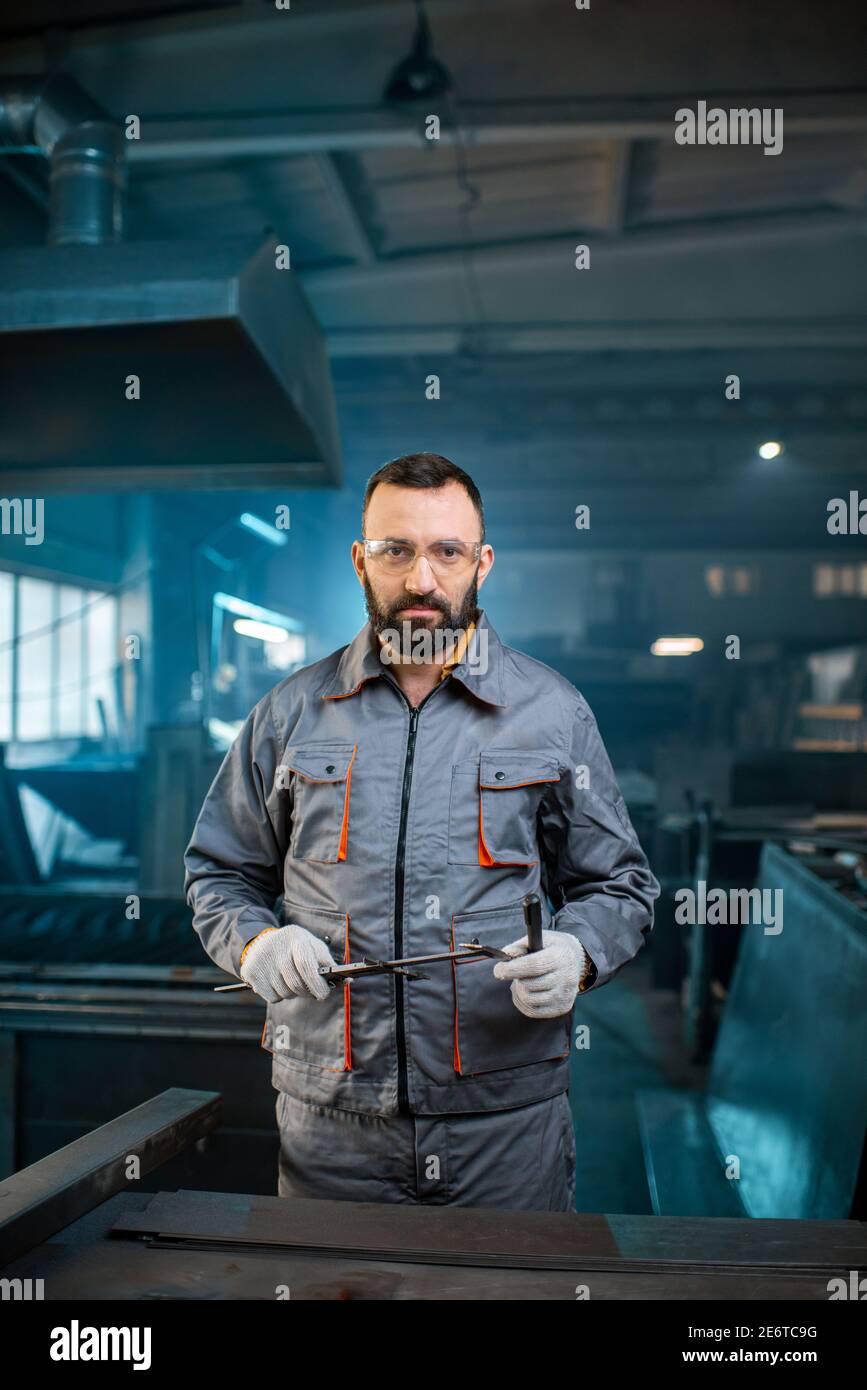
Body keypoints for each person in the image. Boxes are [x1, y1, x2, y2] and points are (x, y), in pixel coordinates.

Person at [184, 452, 660, 1210]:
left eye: (446, 550)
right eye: (394, 549)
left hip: (504, 1124)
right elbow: (220, 871)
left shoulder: (551, 712)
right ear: (359, 560)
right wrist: (254, 941)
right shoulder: (290, 712)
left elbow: (619, 885)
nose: (420, 580)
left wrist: (579, 951)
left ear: (482, 562)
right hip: (331, 1123)